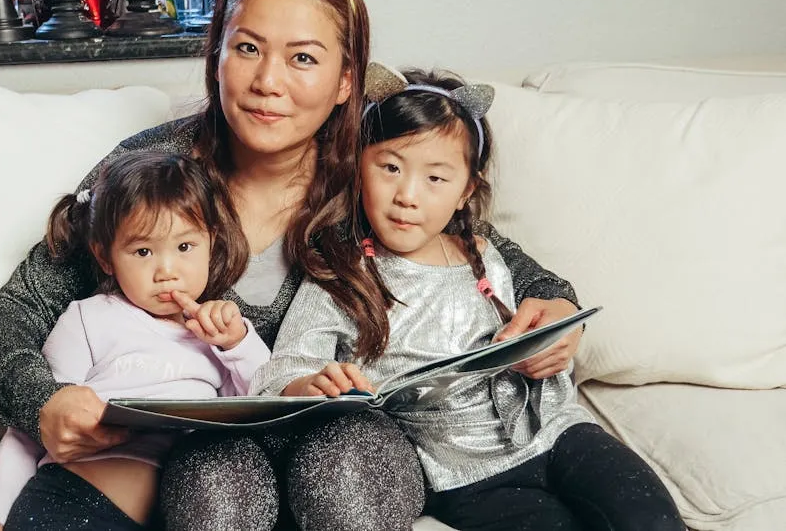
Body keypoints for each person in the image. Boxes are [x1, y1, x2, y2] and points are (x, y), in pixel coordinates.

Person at [0, 0, 582, 531]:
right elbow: (16, 311)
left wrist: (556, 309)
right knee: (215, 477)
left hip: (350, 442)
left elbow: (498, 261)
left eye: (303, 58)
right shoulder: (153, 170)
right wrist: (43, 401)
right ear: (215, 56)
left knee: (344, 463)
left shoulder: (378, 176)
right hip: (206, 451)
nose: (268, 81)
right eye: (247, 48)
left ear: (347, 79)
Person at [251, 65, 686, 531]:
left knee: (651, 517)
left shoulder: (485, 252)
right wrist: (310, 386)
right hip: (466, 474)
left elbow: (552, 305)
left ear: (466, 193)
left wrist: (552, 336)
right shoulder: (340, 276)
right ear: (359, 172)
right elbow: (288, 366)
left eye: (436, 178)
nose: (407, 196)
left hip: (561, 433)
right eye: (391, 168)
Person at [0, 151, 271, 531]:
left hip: (183, 511)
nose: (166, 271)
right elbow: (38, 426)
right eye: (143, 252)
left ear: (211, 241)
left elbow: (265, 408)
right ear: (106, 257)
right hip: (70, 503)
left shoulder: (224, 333)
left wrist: (237, 345)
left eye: (185, 247)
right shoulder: (89, 319)